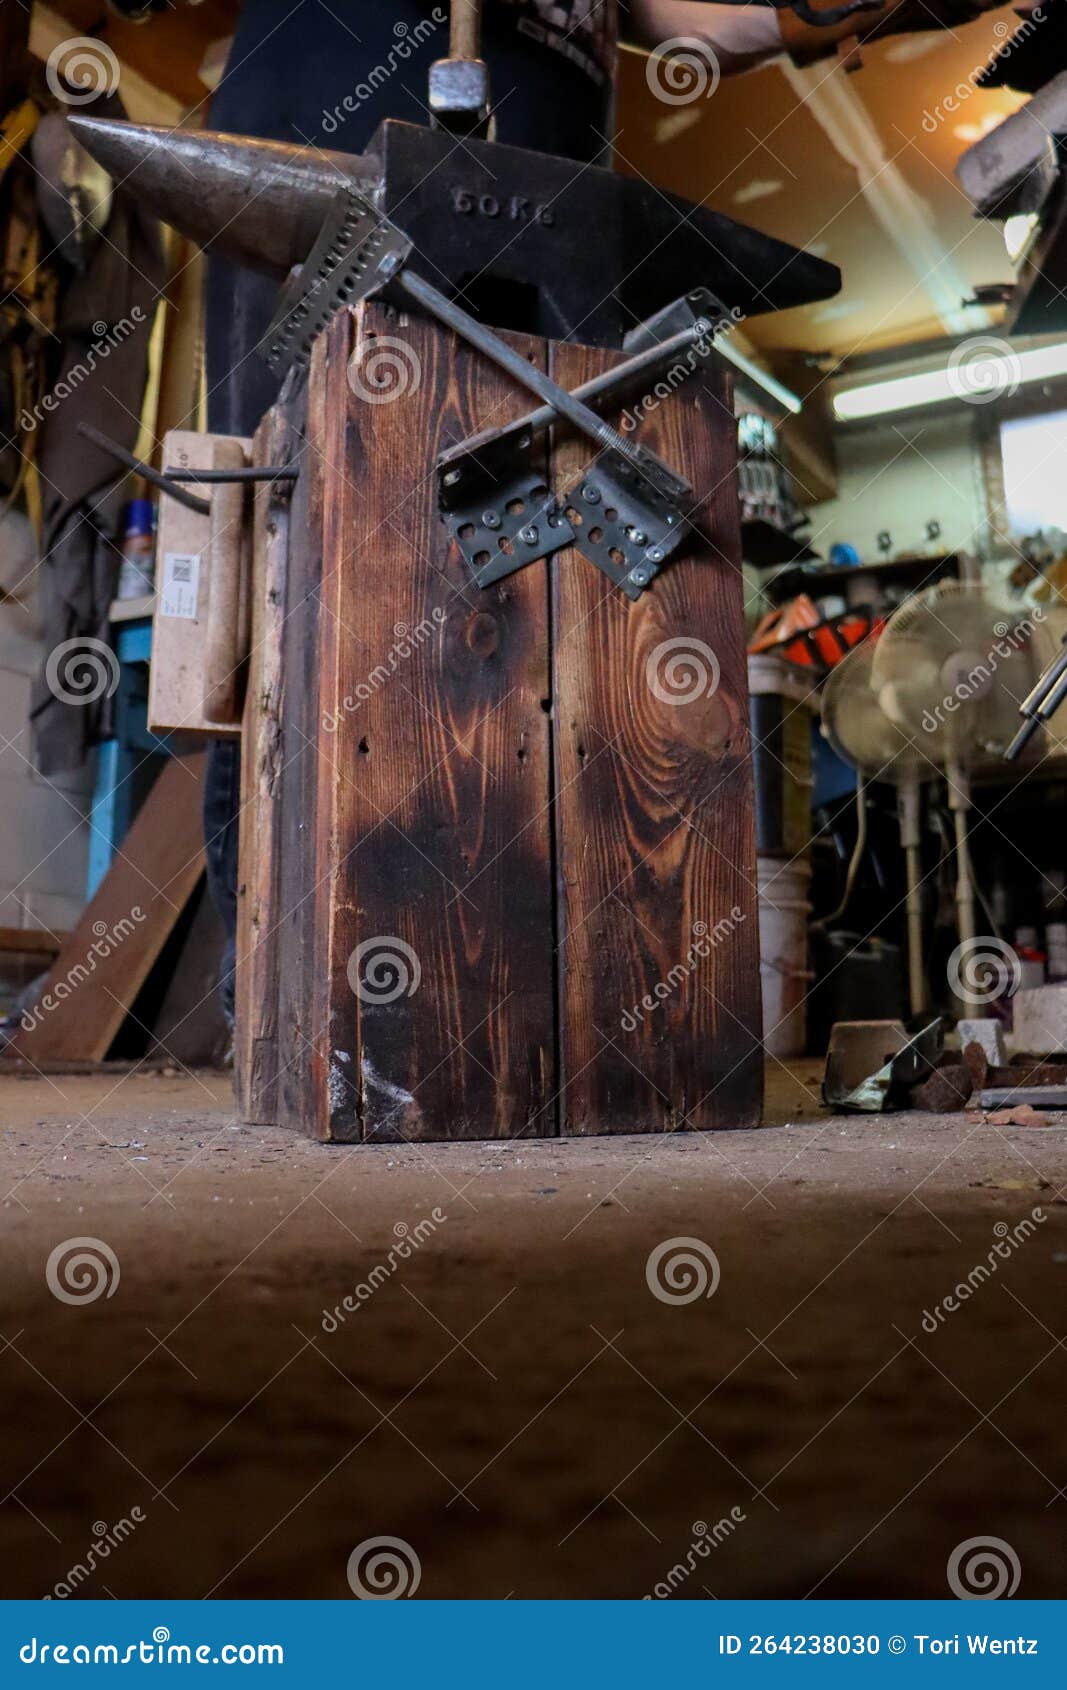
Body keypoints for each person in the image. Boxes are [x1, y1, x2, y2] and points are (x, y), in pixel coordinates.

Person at [198, 0, 996, 1027]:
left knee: (547, 578)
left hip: (553, 168)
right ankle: (290, 992)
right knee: (315, 546)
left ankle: (512, 981)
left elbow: (668, 17)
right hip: (335, 97)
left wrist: (816, 14)